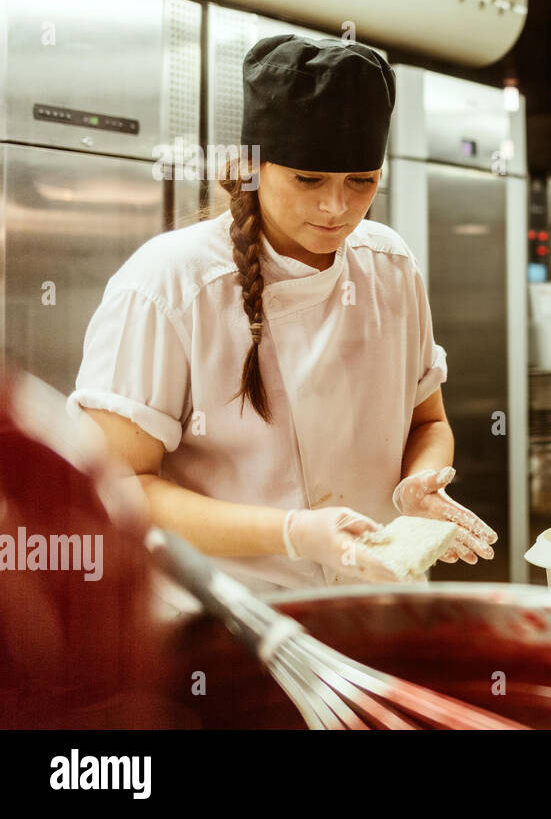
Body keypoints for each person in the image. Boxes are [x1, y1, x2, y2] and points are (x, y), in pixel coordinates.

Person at [67, 34, 496, 590]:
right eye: (309, 179)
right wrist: (293, 533)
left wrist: (417, 482)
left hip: (376, 601)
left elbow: (428, 421)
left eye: (360, 182)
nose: (336, 208)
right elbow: (118, 485)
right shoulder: (170, 285)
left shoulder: (390, 266)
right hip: (232, 622)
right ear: (254, 167)